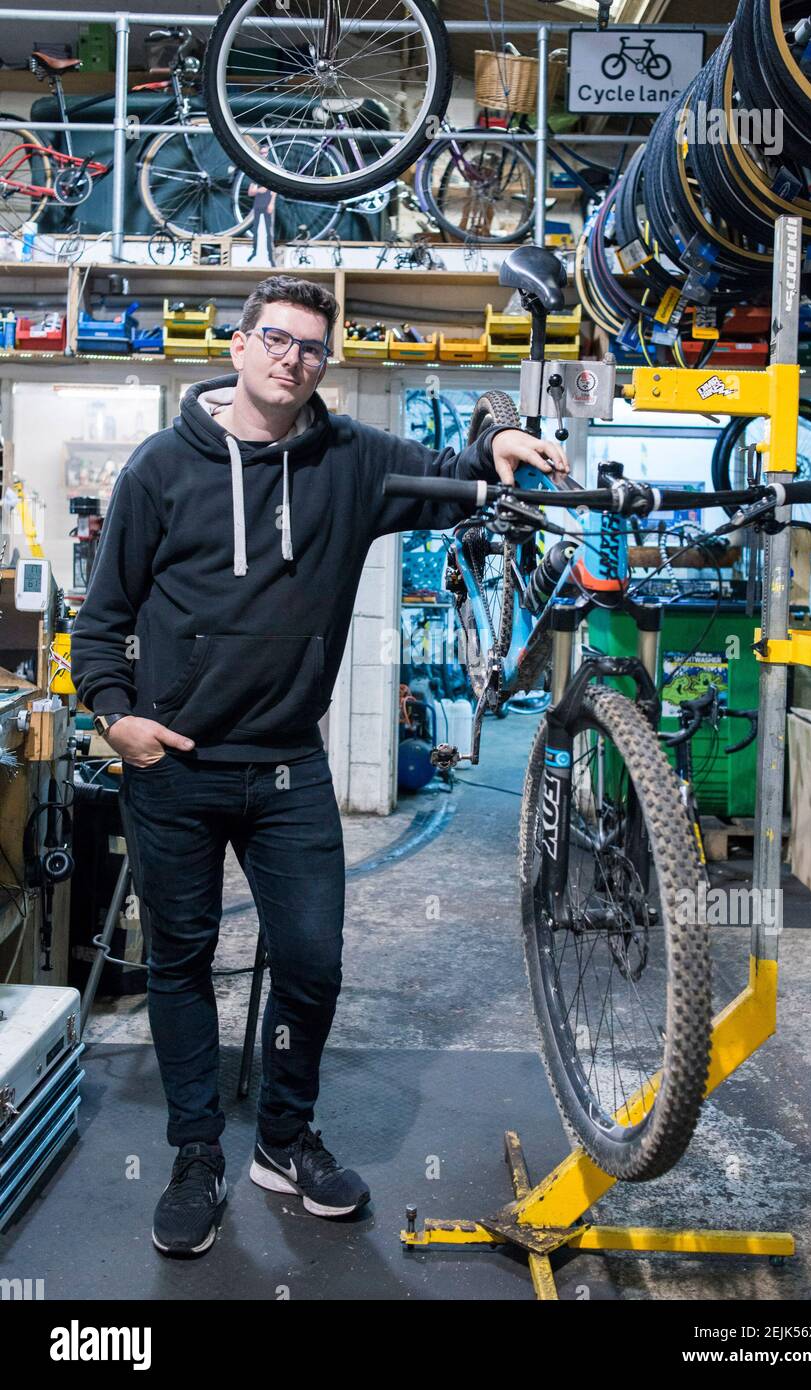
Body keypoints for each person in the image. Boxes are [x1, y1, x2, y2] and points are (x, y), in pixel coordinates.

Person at [70, 274, 568, 1258]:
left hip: (289, 766)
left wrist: (497, 447)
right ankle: (196, 1154)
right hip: (174, 763)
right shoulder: (163, 468)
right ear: (241, 342)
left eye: (312, 347)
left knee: (312, 960)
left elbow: (449, 468)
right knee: (180, 960)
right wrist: (115, 718)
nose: (293, 357)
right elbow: (102, 621)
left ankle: (284, 1139)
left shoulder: (351, 460)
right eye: (277, 338)